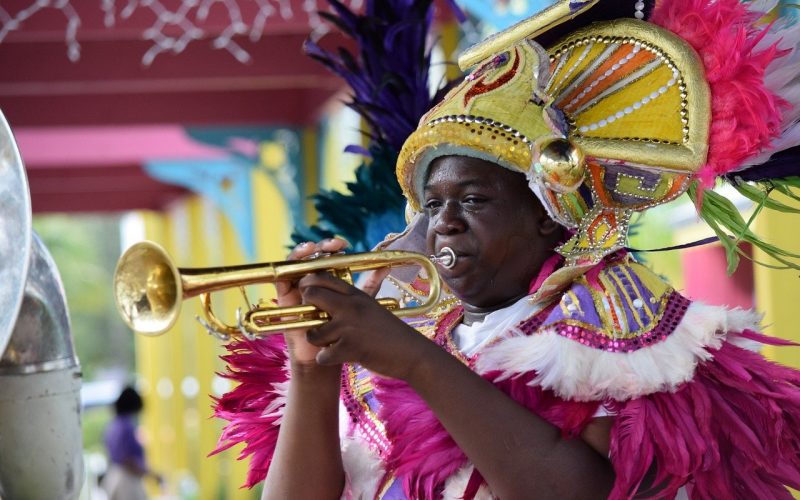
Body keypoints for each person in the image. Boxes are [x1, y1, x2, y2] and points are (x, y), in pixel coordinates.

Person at [213, 1, 800, 498]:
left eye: (472, 200)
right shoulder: (413, 329)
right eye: (433, 204)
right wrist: (311, 372)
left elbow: (584, 490)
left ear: (548, 218)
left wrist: (416, 361)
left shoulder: (622, 321)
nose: (445, 224)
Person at [101, 386, 162, 500]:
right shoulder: (126, 426)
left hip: (114, 477)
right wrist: (151, 475)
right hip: (127, 482)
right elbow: (128, 460)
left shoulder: (113, 425)